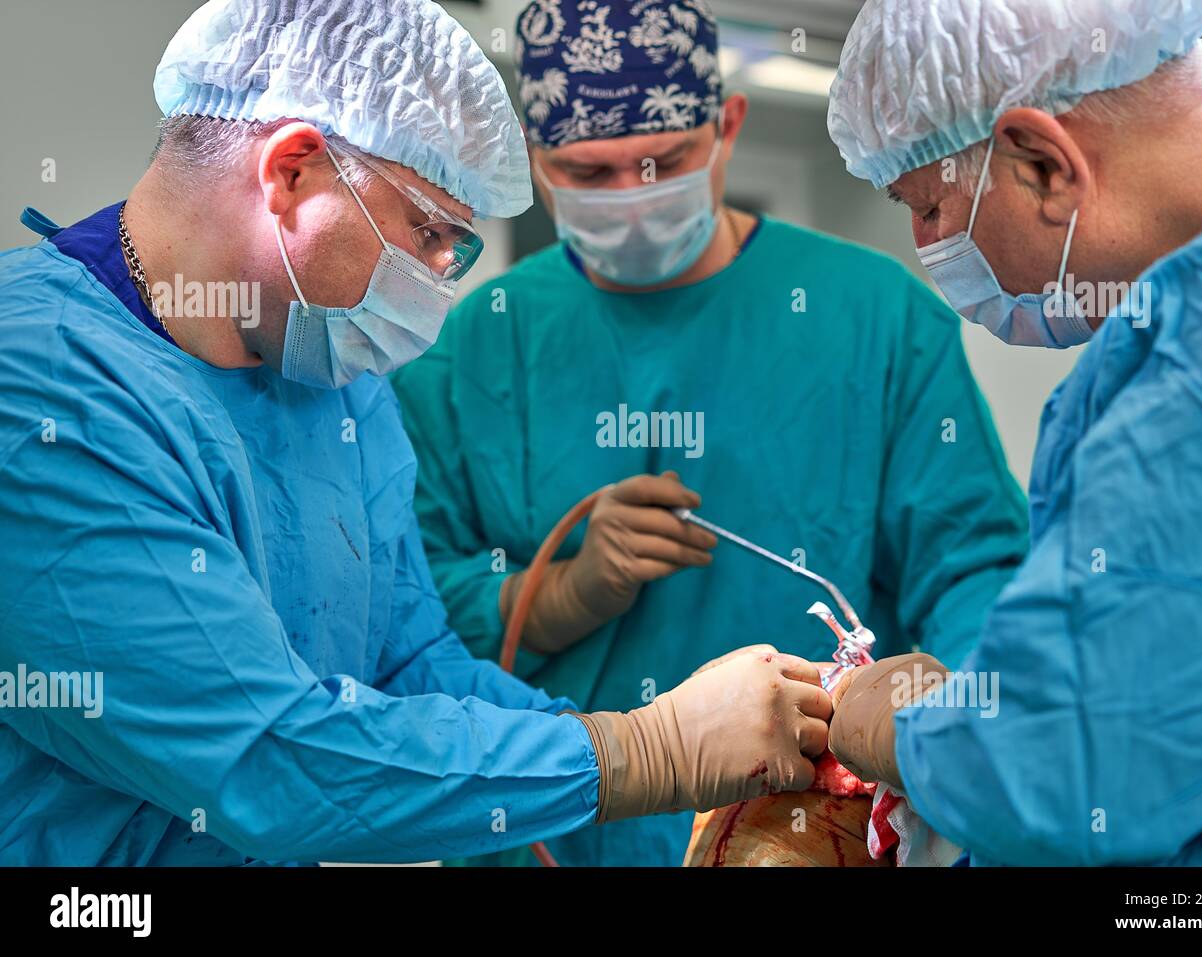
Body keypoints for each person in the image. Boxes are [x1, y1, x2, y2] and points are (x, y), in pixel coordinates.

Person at [0, 0, 834, 866]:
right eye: (429, 233)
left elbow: (411, 662)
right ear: (291, 171)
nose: (439, 282)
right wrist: (643, 753)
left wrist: (681, 773)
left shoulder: (327, 374)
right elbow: (267, 761)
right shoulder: (44, 392)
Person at [391, 0, 1030, 866]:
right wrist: (557, 594)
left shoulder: (877, 320)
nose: (633, 202)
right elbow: (404, 617)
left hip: (803, 836)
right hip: (553, 838)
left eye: (666, 165)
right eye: (592, 172)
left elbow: (977, 573)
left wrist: (943, 707)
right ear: (537, 164)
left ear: (726, 126)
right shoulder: (475, 346)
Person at [825, 0, 1202, 865]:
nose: (926, 247)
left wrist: (906, 728)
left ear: (1042, 161)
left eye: (925, 207)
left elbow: (1074, 771)